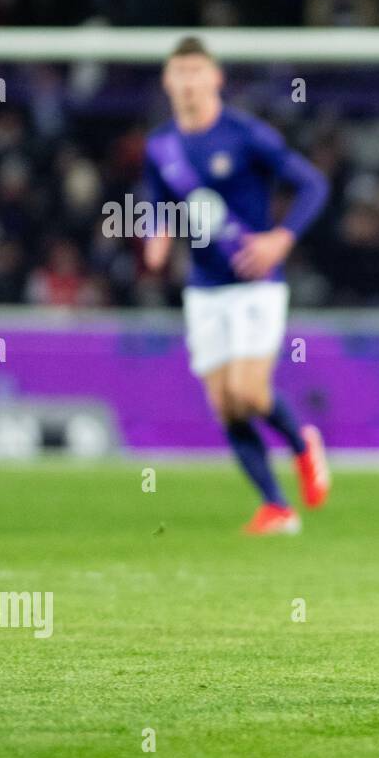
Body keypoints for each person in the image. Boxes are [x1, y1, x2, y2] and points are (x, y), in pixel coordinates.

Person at [142, 36, 331, 534]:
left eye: (195, 71)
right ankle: (276, 506)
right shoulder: (160, 145)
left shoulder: (247, 135)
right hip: (203, 288)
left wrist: (281, 238)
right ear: (167, 81)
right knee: (224, 404)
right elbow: (157, 196)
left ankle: (302, 443)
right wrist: (155, 234)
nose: (186, 81)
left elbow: (314, 184)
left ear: (215, 77)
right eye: (178, 72)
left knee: (248, 392)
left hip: (255, 281)